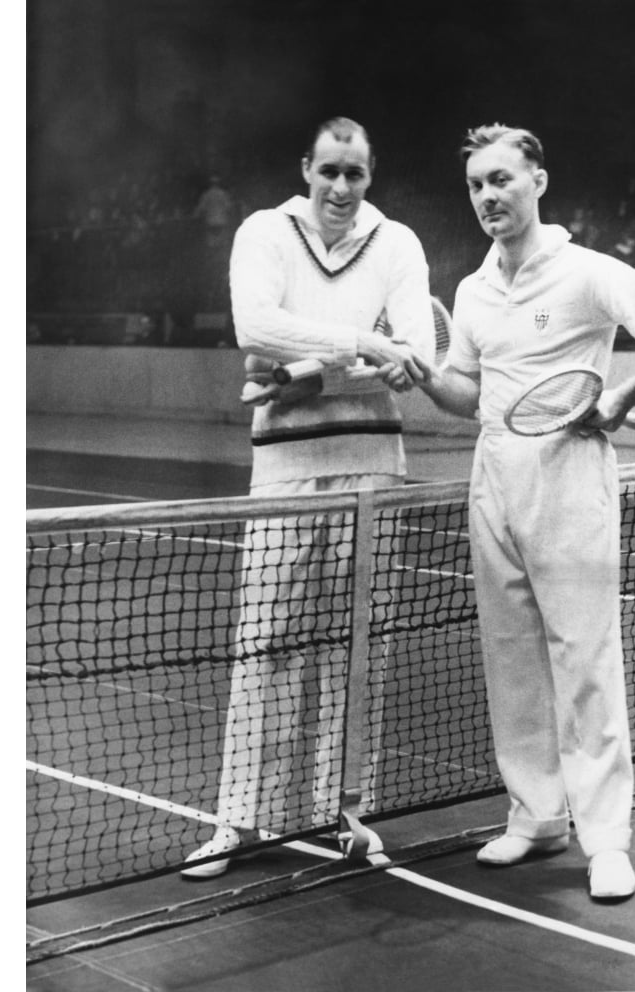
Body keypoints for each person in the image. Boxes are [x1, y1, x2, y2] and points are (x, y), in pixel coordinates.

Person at [414, 124, 635, 901]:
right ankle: (536, 816)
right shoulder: (474, 291)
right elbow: (466, 392)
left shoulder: (589, 273)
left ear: (538, 180)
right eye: (477, 183)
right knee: (510, 655)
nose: (489, 196)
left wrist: (619, 397)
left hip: (573, 479)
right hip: (493, 474)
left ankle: (606, 838)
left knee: (584, 659)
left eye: (503, 180)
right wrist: (414, 373)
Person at [182, 116, 434, 879]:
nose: (341, 187)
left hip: (373, 469)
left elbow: (418, 351)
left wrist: (310, 361)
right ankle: (238, 821)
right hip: (285, 474)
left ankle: (347, 814)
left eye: (355, 174)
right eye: (329, 170)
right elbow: (253, 327)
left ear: (371, 175)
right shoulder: (263, 231)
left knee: (362, 646)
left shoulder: (399, 243)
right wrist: (369, 344)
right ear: (306, 168)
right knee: (266, 644)